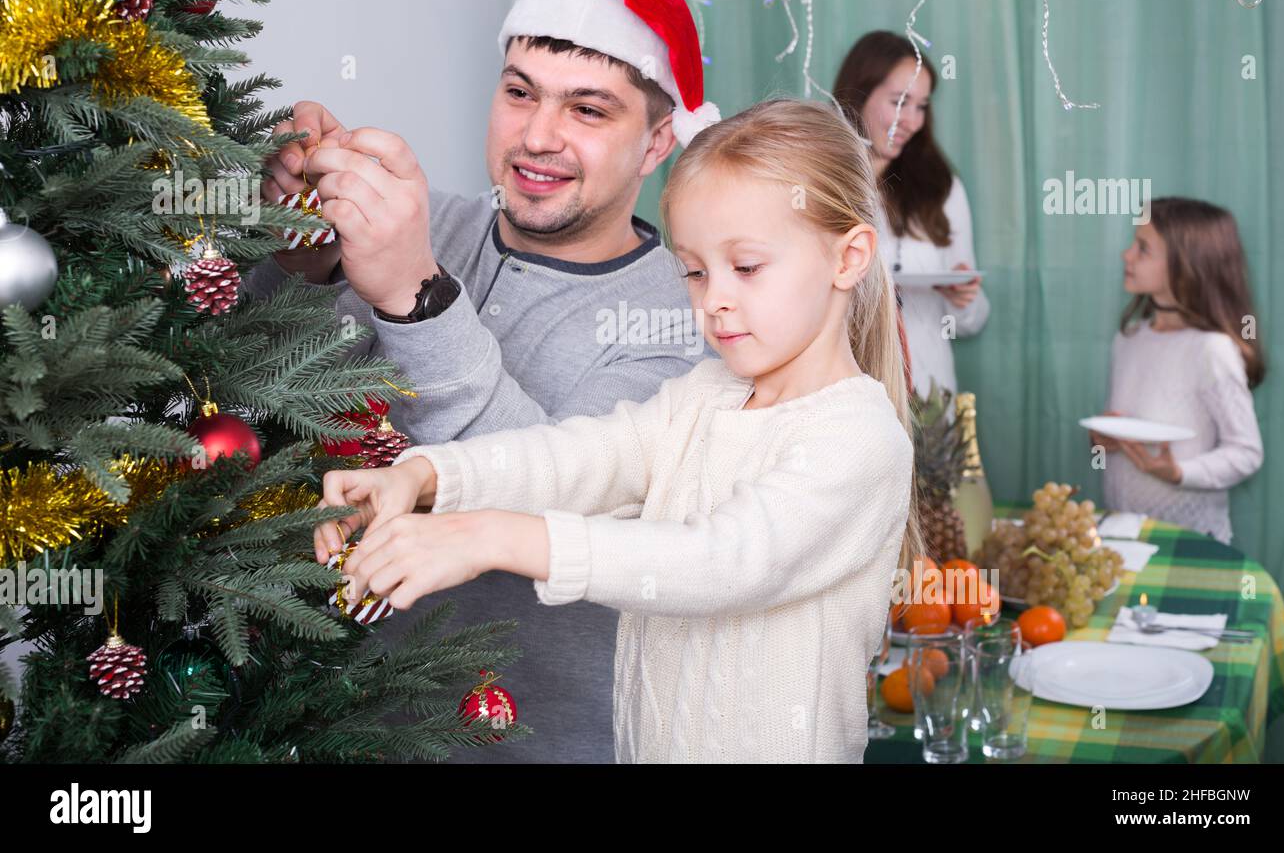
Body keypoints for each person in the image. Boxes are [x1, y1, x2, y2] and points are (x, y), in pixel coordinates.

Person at [312, 100, 919, 763]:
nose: (713, 298)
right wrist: (426, 478)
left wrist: (486, 535)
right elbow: (578, 459)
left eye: (746, 267)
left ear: (848, 258)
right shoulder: (704, 397)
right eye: (694, 269)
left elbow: (718, 563)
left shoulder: (857, 437)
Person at [246, 0, 722, 762]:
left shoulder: (694, 317)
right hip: (312, 725)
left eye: (589, 109)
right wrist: (294, 253)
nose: (538, 135)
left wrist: (415, 296)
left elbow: (559, 500)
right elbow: (253, 377)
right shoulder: (424, 225)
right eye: (519, 91)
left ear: (656, 144)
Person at [1089, 198, 1265, 544]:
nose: (1127, 255)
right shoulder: (1129, 338)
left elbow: (1246, 452)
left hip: (1189, 539)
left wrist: (1179, 473)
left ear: (1186, 267)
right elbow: (1115, 439)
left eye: (1143, 248)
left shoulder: (1211, 350)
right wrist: (1102, 442)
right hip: (1123, 533)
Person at [832, 30, 989, 398]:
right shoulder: (826, 181)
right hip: (851, 392)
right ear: (858, 92)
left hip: (931, 399)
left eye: (921, 106)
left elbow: (972, 321)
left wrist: (963, 298)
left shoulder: (942, 187)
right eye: (899, 101)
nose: (912, 121)